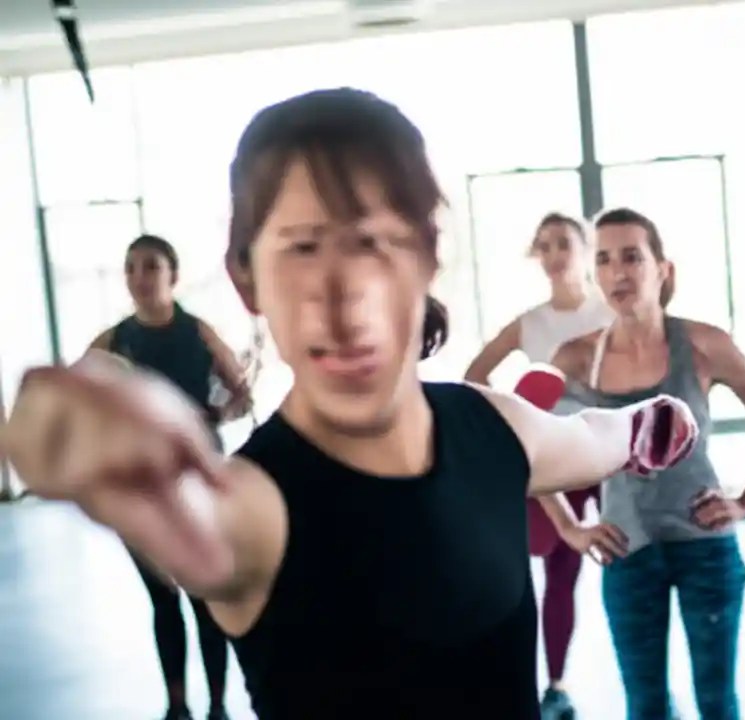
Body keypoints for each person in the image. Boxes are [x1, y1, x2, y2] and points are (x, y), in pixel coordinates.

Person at [0, 88, 700, 720]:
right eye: (303, 249)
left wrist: (652, 422)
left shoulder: (494, 426)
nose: (342, 295)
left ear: (428, 256)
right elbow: (206, 526)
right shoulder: (252, 501)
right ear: (247, 280)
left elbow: (595, 436)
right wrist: (127, 463)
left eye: (375, 242)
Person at [538, 207, 745, 720]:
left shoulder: (703, 345)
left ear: (663, 269)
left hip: (705, 545)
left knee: (717, 703)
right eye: (605, 259)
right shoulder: (574, 358)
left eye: (632, 257)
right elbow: (526, 445)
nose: (618, 272)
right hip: (626, 549)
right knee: (646, 706)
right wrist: (569, 529)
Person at [87, 234, 251, 720]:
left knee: (204, 598)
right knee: (164, 599)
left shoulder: (199, 332)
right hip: (140, 485)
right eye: (132, 267)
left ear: (172, 276)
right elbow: (79, 399)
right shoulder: (113, 341)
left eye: (151, 267)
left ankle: (218, 705)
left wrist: (219, 413)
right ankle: (177, 705)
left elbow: (240, 394)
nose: (141, 277)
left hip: (196, 480)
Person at [464, 211, 613, 719]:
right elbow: (475, 376)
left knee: (628, 564)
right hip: (553, 459)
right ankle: (555, 684)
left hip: (609, 455)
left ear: (584, 249)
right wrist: (517, 414)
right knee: (556, 570)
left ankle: (646, 684)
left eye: (562, 244)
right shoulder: (529, 323)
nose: (553, 255)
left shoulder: (607, 313)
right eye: (543, 245)